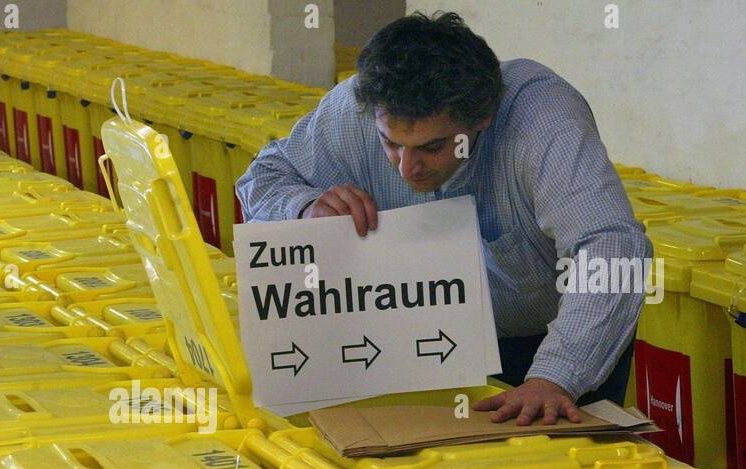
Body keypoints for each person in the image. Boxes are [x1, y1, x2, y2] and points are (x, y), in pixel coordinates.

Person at [236, 11, 652, 426]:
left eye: (432, 147)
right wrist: (305, 206)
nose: (405, 168)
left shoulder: (542, 117)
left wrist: (556, 377)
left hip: (556, 338)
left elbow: (612, 247)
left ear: (482, 117)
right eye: (391, 144)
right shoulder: (357, 106)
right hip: (418, 336)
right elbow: (263, 178)